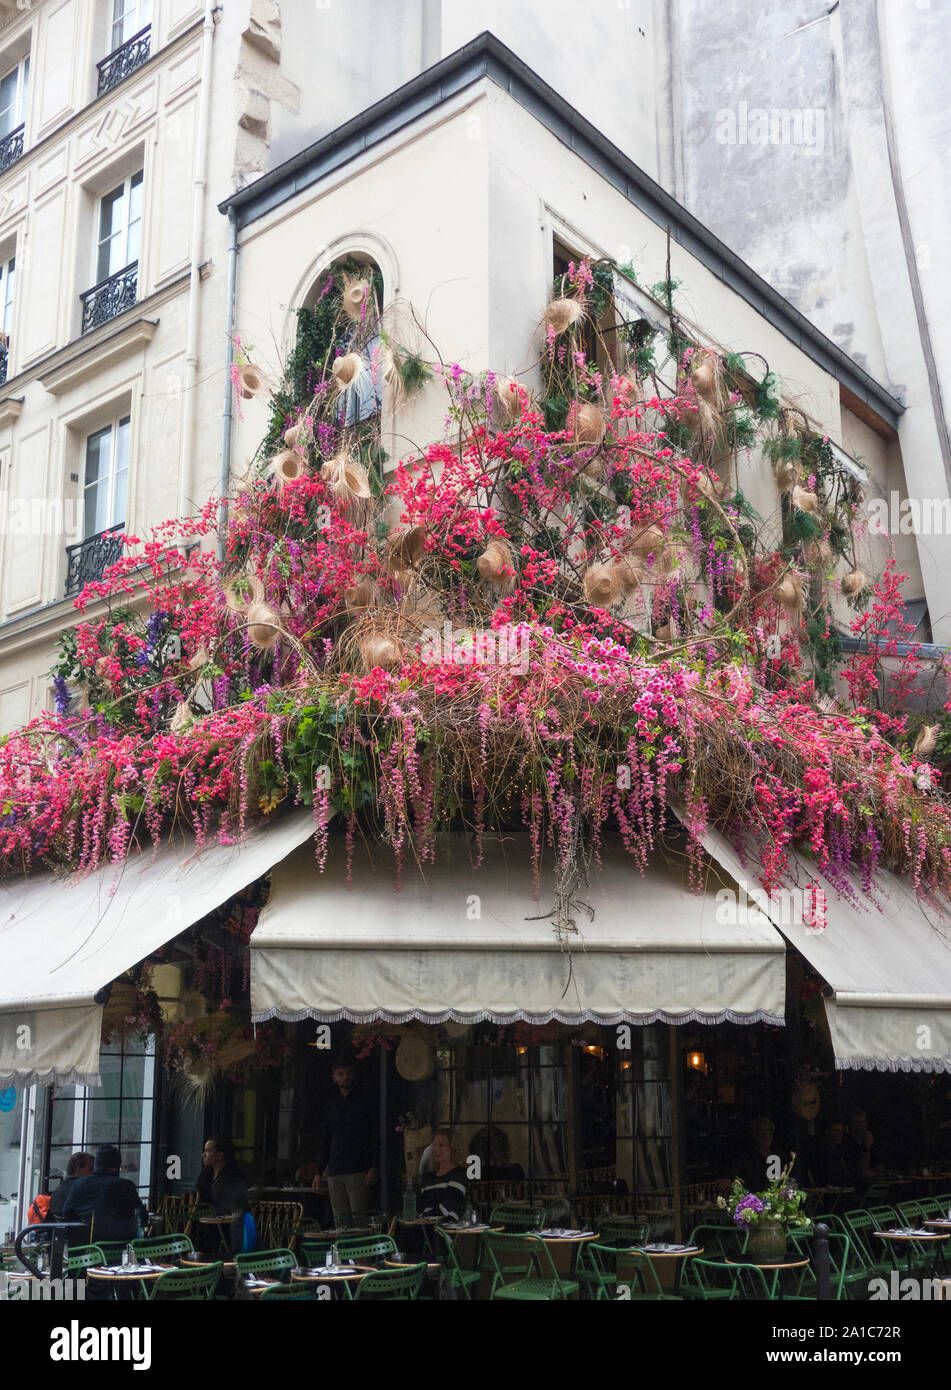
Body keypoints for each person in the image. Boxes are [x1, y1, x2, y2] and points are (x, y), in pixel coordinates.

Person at [311, 1063, 377, 1230]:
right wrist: (319, 1171)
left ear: (353, 1075)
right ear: (334, 1077)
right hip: (335, 1168)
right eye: (340, 1074)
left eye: (347, 1073)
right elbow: (326, 1139)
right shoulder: (331, 1105)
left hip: (357, 1167)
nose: (345, 1077)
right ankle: (344, 1254)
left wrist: (373, 1165)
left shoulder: (364, 1102)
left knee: (359, 1219)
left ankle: (362, 1256)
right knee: (340, 1220)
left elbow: (373, 1135)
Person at [62, 1144, 147, 1245]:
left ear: (96, 1165)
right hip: (119, 1246)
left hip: (86, 1247)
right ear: (116, 1166)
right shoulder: (126, 1185)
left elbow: (67, 1213)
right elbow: (142, 1216)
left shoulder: (79, 1184)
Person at [195, 1137, 248, 1255]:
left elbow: (235, 1206)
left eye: (208, 1151)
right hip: (205, 1224)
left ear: (219, 1155)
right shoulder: (206, 1174)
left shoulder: (233, 1178)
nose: (203, 1155)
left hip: (226, 1226)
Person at [417, 1130, 468, 1222]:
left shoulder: (459, 1174)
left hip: (444, 1231)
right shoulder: (428, 1177)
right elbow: (418, 1207)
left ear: (453, 1148)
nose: (436, 1149)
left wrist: (422, 1217)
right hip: (423, 1227)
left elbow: (447, 1209)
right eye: (434, 1145)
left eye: (441, 1145)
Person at [807, 1121, 853, 1188]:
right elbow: (831, 1177)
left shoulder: (840, 1151)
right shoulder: (822, 1153)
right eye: (836, 1131)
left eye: (841, 1131)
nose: (840, 1134)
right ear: (827, 1132)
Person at [49, 1152, 94, 1220]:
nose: (93, 1173)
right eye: (90, 1169)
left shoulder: (57, 1191)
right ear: (78, 1169)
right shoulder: (84, 1191)